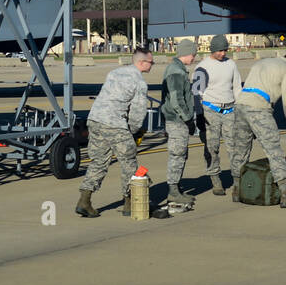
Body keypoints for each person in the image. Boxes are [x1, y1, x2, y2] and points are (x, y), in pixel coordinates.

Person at [76, 48, 153, 218]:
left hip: (95, 120)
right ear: (142, 62)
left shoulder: (114, 73)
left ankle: (84, 200)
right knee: (129, 162)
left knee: (98, 161)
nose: (152, 65)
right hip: (114, 124)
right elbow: (138, 113)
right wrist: (132, 132)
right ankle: (129, 202)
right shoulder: (139, 82)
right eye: (151, 62)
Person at [231, 49, 286, 208]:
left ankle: (236, 189)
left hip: (240, 107)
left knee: (240, 150)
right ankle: (285, 194)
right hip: (259, 109)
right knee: (274, 152)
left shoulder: (262, 62)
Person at [191, 34, 243, 195]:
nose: (223, 54)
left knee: (234, 147)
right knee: (211, 147)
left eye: (225, 50)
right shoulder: (202, 67)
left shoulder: (231, 64)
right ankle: (215, 178)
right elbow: (196, 93)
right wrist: (199, 115)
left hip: (229, 109)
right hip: (210, 110)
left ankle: (237, 180)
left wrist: (240, 109)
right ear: (212, 49)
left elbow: (237, 88)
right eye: (220, 51)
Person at [161, 40, 198, 207]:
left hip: (176, 120)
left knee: (181, 154)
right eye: (193, 55)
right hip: (177, 121)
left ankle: (176, 187)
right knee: (177, 155)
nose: (194, 58)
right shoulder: (176, 72)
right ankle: (173, 191)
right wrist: (188, 119)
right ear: (186, 53)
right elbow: (177, 100)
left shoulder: (177, 69)